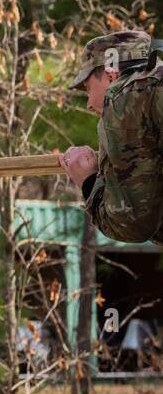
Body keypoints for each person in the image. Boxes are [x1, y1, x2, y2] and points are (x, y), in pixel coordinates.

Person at [57, 30, 163, 244]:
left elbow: (133, 225)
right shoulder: (151, 90)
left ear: (110, 75)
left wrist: (88, 180)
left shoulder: (125, 97)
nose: (88, 103)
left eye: (88, 88)